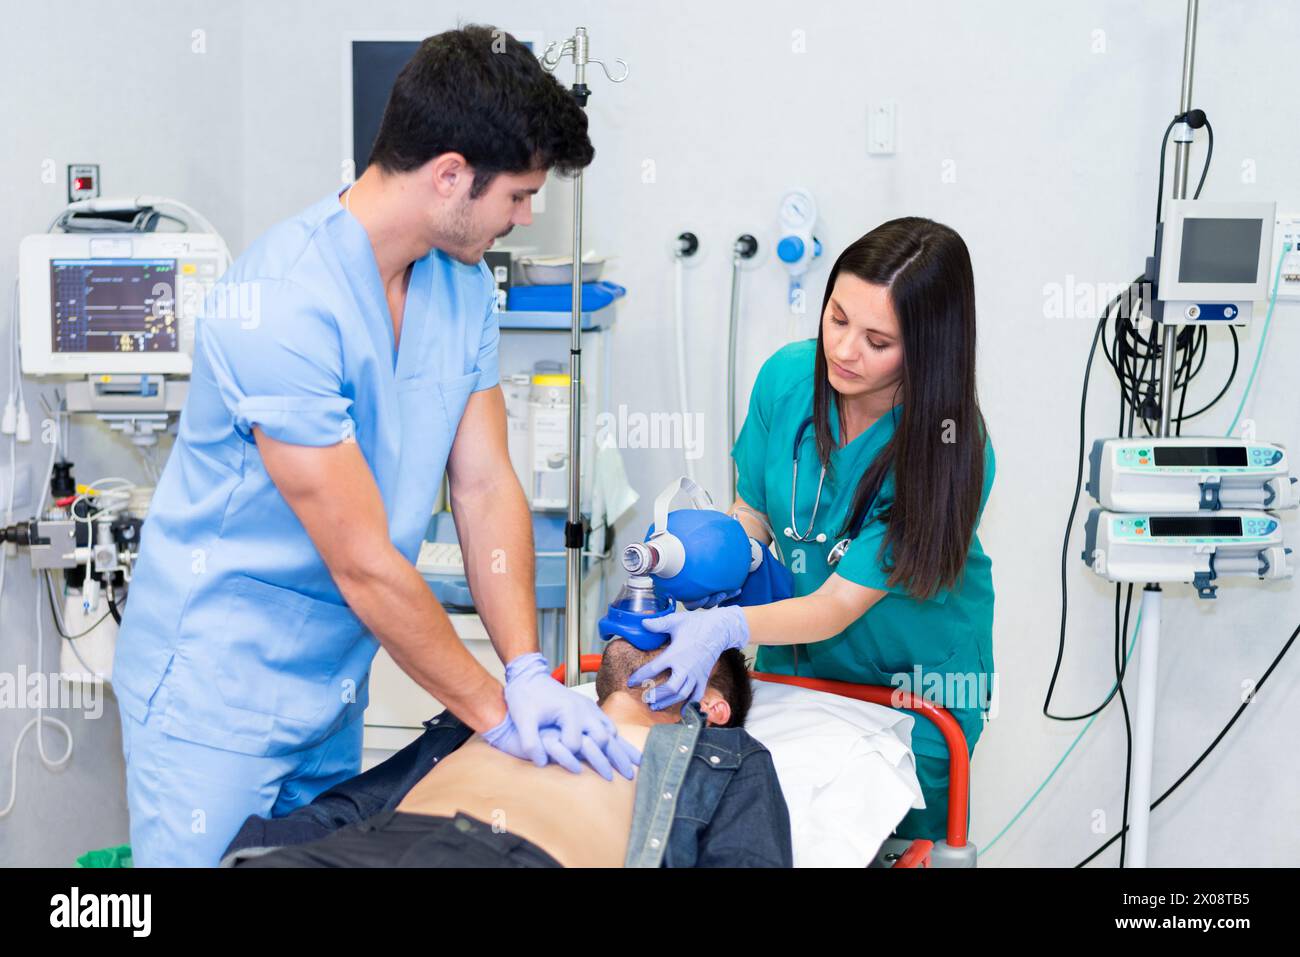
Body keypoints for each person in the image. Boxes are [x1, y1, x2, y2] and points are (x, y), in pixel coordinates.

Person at [112, 25, 637, 868]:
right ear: (451, 176)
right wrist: (495, 712)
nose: (525, 217)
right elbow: (363, 564)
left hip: (332, 686)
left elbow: (484, 484)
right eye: (520, 195)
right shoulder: (280, 306)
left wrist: (529, 666)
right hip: (216, 697)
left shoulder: (460, 288)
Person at [629, 218, 996, 841]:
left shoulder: (949, 448)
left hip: (912, 692)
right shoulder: (788, 379)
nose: (845, 350)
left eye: (878, 340)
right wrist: (730, 553)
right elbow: (758, 510)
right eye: (837, 318)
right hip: (793, 674)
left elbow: (836, 604)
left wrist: (725, 625)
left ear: (930, 347)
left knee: (876, 845)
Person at [220, 644, 792, 868]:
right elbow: (341, 811)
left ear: (713, 705)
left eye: (677, 639)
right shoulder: (500, 713)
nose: (649, 625)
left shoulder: (725, 754)